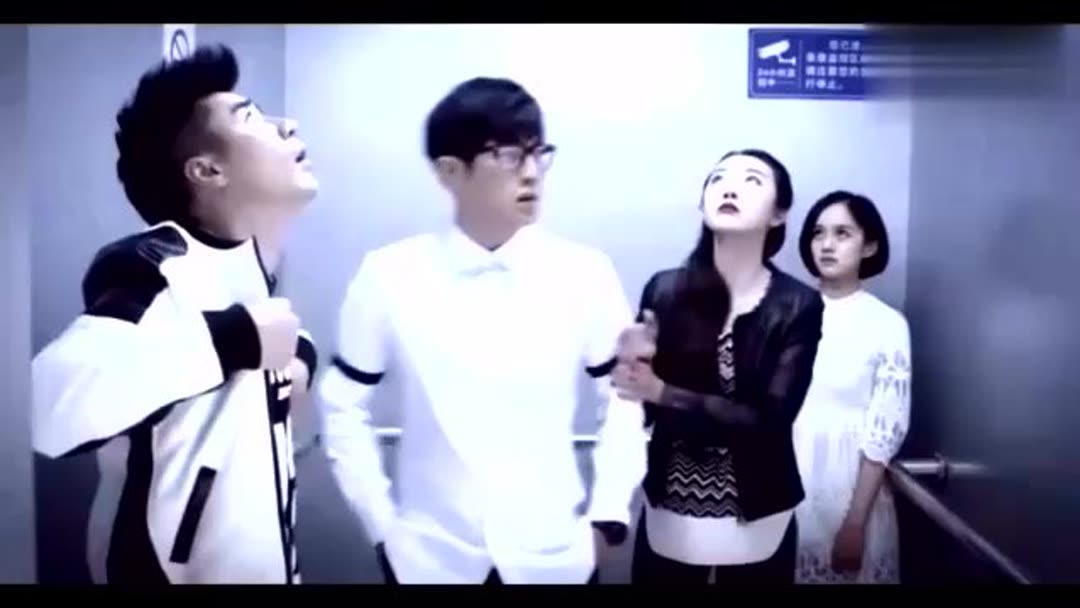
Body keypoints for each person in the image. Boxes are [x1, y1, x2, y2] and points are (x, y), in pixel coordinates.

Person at [317, 77, 647, 585]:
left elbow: (624, 399)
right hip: (430, 561)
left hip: (556, 557)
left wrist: (607, 518)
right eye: (509, 155)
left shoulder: (585, 273)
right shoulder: (389, 275)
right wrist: (381, 526)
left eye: (538, 153)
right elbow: (342, 404)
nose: (532, 173)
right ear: (450, 170)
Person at [31, 44, 319, 584]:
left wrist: (300, 354)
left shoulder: (250, 263)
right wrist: (230, 340)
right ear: (207, 170)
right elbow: (46, 407)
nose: (288, 125)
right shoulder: (150, 266)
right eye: (252, 117)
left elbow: (266, 340)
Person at [612, 149, 824, 584]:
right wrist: (629, 365)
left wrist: (662, 391)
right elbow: (638, 405)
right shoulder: (664, 289)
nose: (730, 188)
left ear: (779, 213)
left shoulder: (797, 304)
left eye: (751, 180)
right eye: (719, 178)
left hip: (758, 509)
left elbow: (770, 419)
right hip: (670, 507)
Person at [791, 190, 911, 584]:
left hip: (851, 492)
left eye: (842, 233)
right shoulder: (785, 312)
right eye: (818, 233)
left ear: (869, 245)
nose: (826, 244)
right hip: (782, 487)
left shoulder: (886, 324)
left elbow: (885, 430)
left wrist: (856, 522)